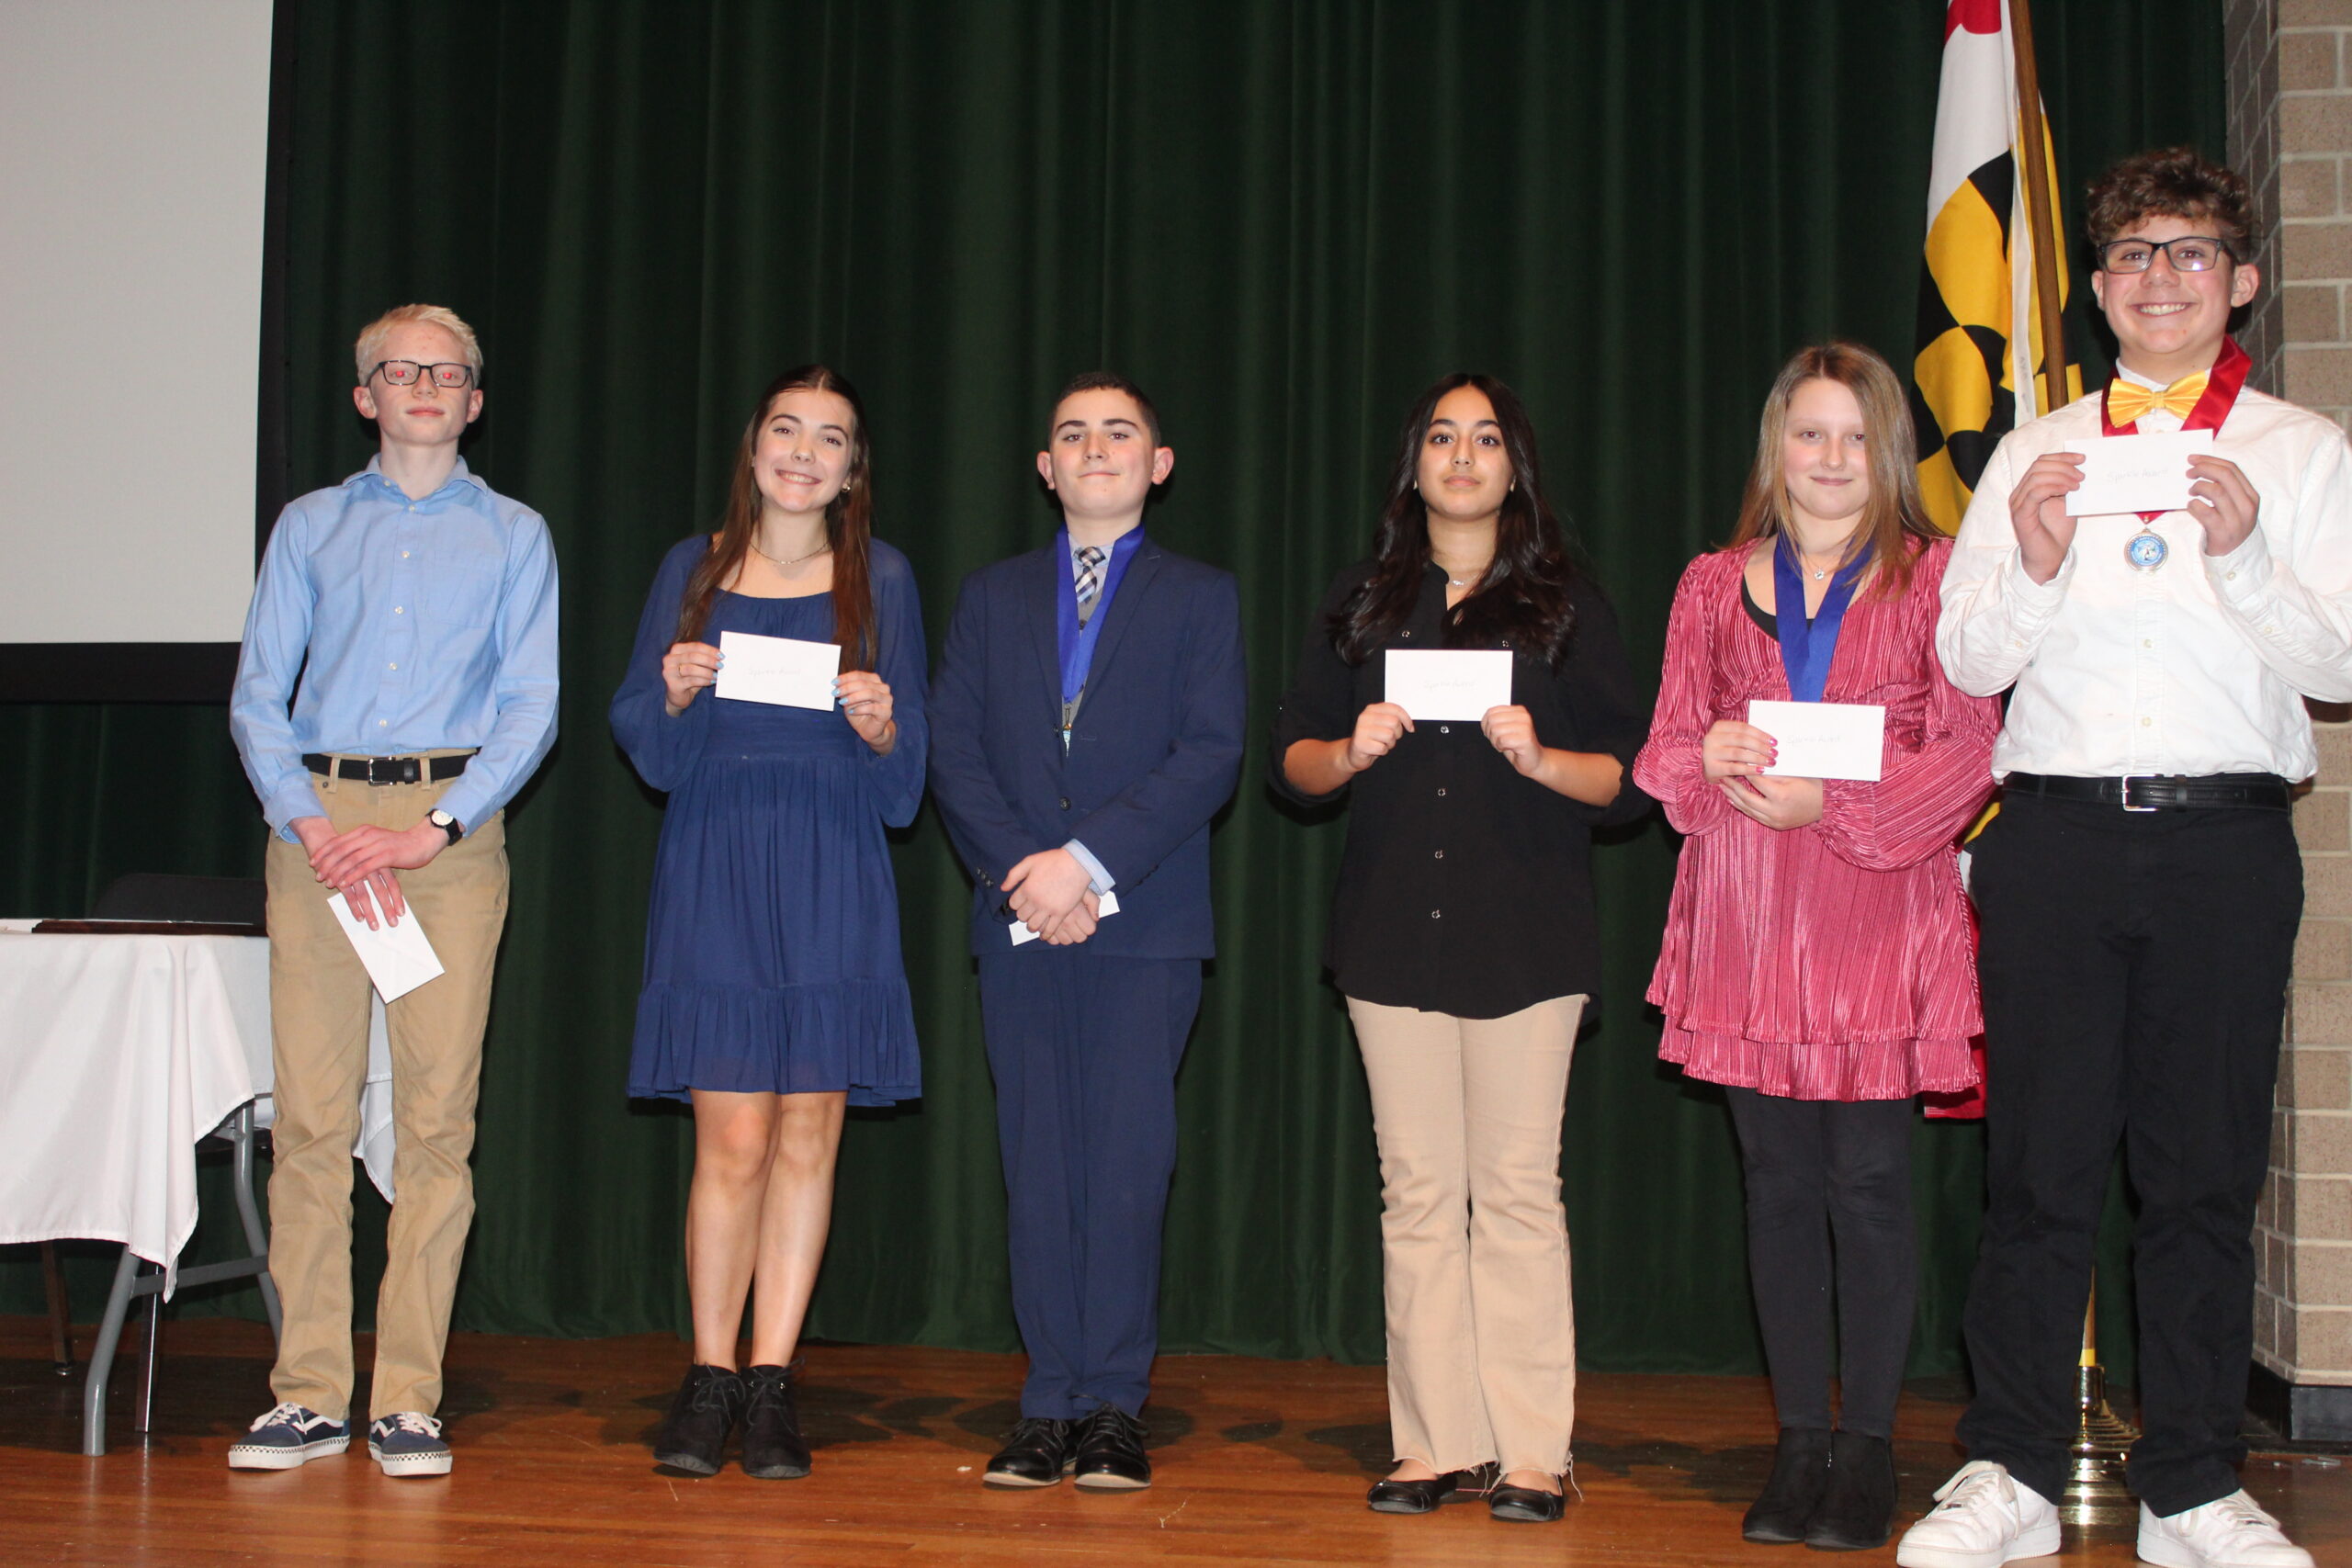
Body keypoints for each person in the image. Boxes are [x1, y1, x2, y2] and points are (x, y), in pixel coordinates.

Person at [1901, 148, 2346, 1568]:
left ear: (2243, 280)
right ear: (2098, 288)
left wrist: (2244, 559)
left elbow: (2340, 660)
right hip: (2059, 839)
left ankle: (2194, 1484)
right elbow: (1965, 658)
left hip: (2224, 836)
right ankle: (2014, 1467)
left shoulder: (2301, 450)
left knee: (2202, 1171)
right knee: (2039, 1167)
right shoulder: (2034, 454)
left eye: (2192, 253)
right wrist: (2029, 558)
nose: (2163, 277)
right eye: (2137, 255)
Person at [1634, 343, 2000, 1551]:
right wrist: (1719, 755)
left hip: (1872, 911)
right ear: (1774, 445)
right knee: (1779, 1188)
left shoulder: (1939, 578)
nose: (1831, 458)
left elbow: (1971, 747)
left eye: (1854, 436)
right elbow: (1667, 749)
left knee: (1871, 1187)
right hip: (1745, 911)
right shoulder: (1706, 584)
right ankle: (1799, 1439)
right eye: (1809, 433)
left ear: (1886, 450)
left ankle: (1870, 1449)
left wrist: (1835, 806)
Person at [1272, 372, 1649, 1524]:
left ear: (1514, 466)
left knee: (1519, 1195)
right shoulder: (1360, 600)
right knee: (1418, 1197)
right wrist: (1348, 749)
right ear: (1415, 463)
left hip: (1527, 940)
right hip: (1390, 938)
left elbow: (1630, 783)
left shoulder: (1566, 603)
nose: (1463, 454)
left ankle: (1532, 1452)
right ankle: (1432, 1444)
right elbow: (1290, 757)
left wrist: (1540, 757)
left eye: (1486, 438)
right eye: (1442, 435)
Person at [225, 304, 559, 1476]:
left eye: (448, 371)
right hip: (317, 833)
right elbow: (260, 691)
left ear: (475, 400)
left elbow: (531, 704)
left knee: (435, 1128)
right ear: (366, 394)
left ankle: (407, 1396)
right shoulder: (311, 525)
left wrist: (435, 828)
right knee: (309, 1122)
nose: (424, 383)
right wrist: (307, 822)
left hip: (447, 840)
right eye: (400, 369)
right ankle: (310, 1390)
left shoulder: (517, 534)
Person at [928, 372, 1246, 1493]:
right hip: (1016, 917)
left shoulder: (1201, 597)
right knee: (1038, 1165)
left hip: (1143, 924)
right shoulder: (990, 594)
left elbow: (1209, 755)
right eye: (1072, 433)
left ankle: (1112, 1404)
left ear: (1157, 465)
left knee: (1123, 1170)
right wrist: (1027, 876)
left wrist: (1085, 865)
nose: (1094, 447)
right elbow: (951, 747)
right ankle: (1044, 1402)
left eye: (1120, 433)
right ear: (1044, 467)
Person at [610, 366, 927, 1480]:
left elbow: (906, 783)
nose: (803, 451)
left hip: (833, 863)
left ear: (851, 472)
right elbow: (645, 745)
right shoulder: (689, 571)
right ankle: (707, 1379)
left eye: (829, 438)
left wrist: (885, 724)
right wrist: (674, 691)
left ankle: (774, 1380)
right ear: (753, 452)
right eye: (785, 430)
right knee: (732, 1138)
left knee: (807, 1136)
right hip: (718, 865)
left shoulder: (879, 575)